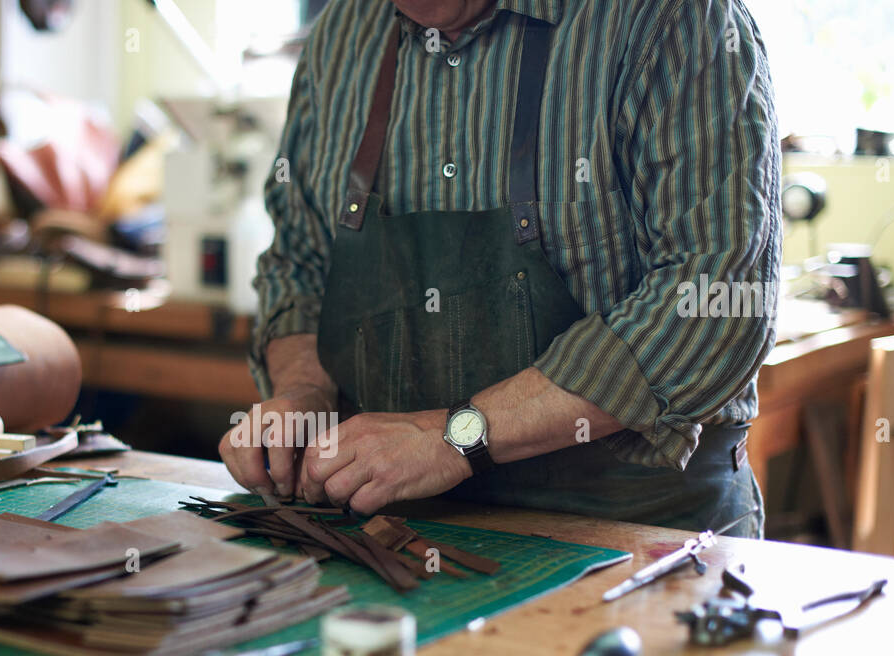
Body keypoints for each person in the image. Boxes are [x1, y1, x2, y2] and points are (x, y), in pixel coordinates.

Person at [218, 0, 780, 537]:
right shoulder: (343, 32)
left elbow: (713, 298)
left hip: (633, 529)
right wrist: (303, 392)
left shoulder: (668, 20)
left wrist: (454, 437)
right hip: (399, 528)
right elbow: (299, 263)